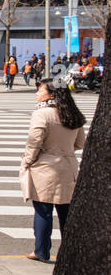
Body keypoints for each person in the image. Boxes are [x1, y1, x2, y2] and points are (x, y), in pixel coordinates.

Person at [19, 78, 87, 263]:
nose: (37, 93)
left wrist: (27, 161)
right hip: (69, 167)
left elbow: (34, 142)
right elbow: (80, 143)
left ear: (51, 93)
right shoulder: (73, 114)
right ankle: (70, 254)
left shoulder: (42, 114)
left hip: (45, 168)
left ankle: (41, 252)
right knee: (66, 213)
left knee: (43, 211)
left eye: (40, 90)